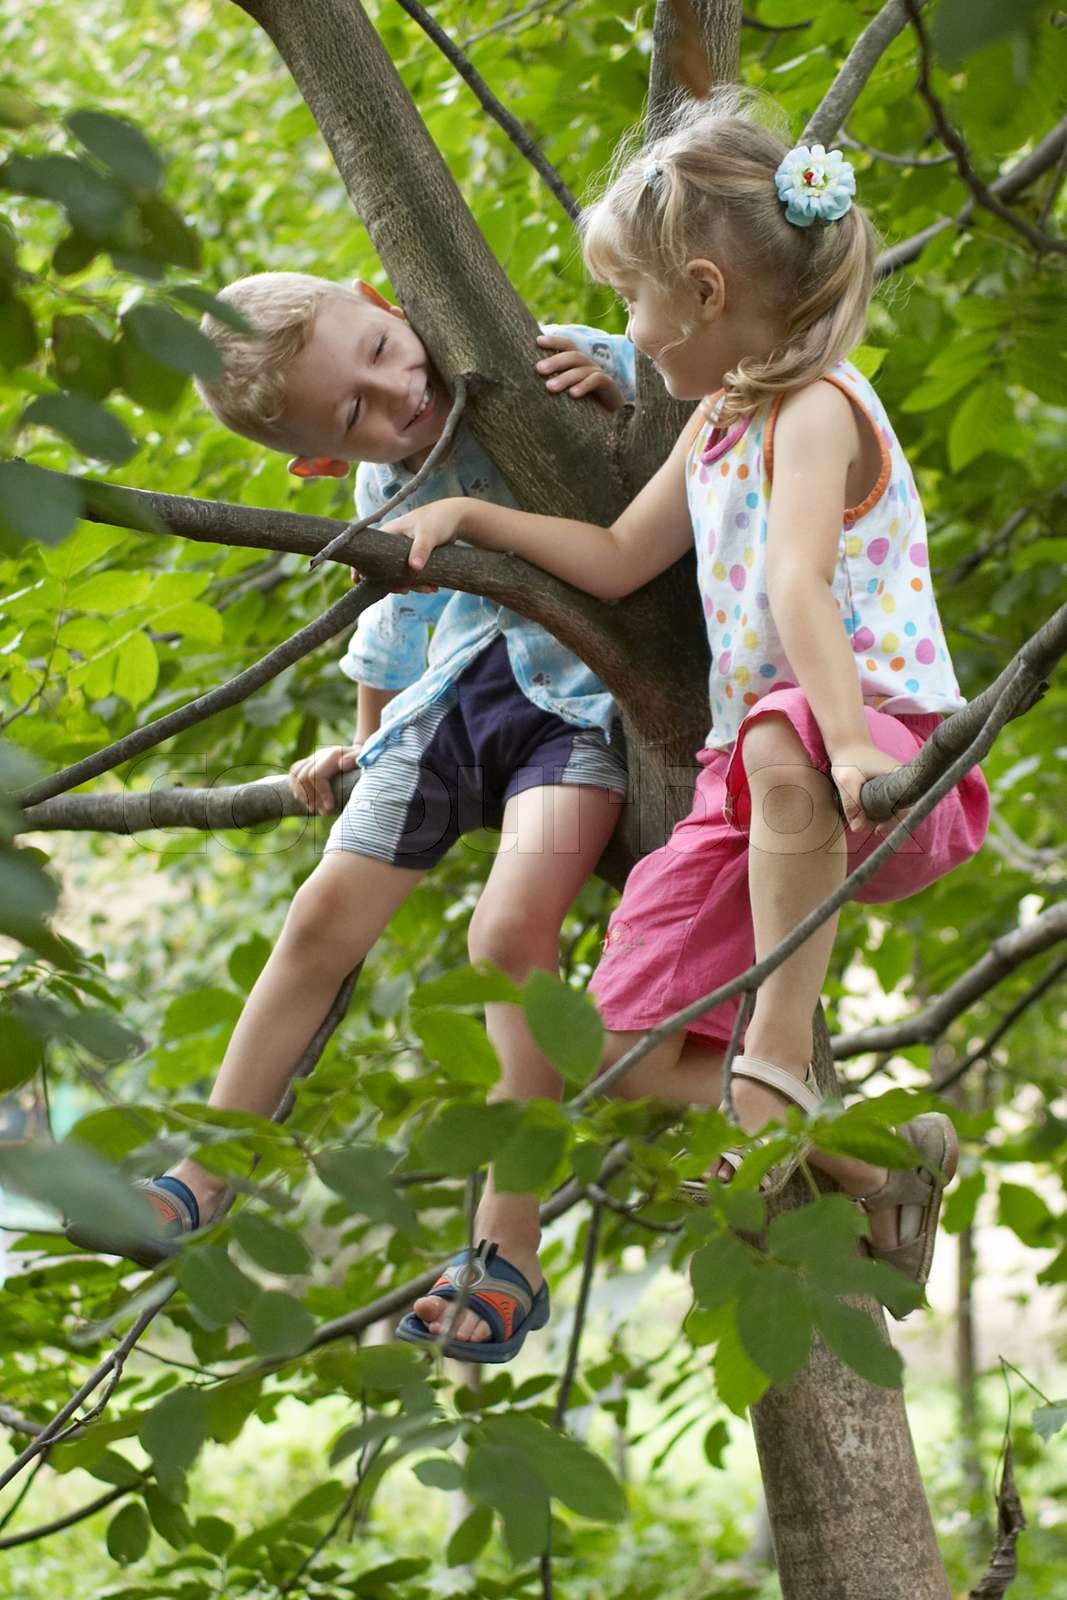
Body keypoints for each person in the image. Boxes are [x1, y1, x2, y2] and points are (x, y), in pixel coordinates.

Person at [383, 92, 991, 1318]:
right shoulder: (716, 423)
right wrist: (469, 521)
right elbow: (614, 554)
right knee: (598, 1045)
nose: (629, 331)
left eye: (631, 302)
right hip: (749, 783)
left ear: (704, 292)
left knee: (777, 729)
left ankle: (772, 1058)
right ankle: (881, 1166)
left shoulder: (818, 408)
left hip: (873, 749)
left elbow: (797, 584)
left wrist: (859, 748)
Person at [69, 272, 634, 1363]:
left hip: (580, 715)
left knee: (507, 938)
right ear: (321, 459)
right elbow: (392, 624)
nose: (394, 400)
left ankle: (504, 1247)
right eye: (353, 417)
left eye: (382, 351)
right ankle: (206, 1168)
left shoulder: (544, 354)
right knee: (320, 920)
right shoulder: (382, 478)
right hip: (459, 702)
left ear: (383, 299)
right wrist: (363, 740)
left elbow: (675, 420)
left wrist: (613, 381)